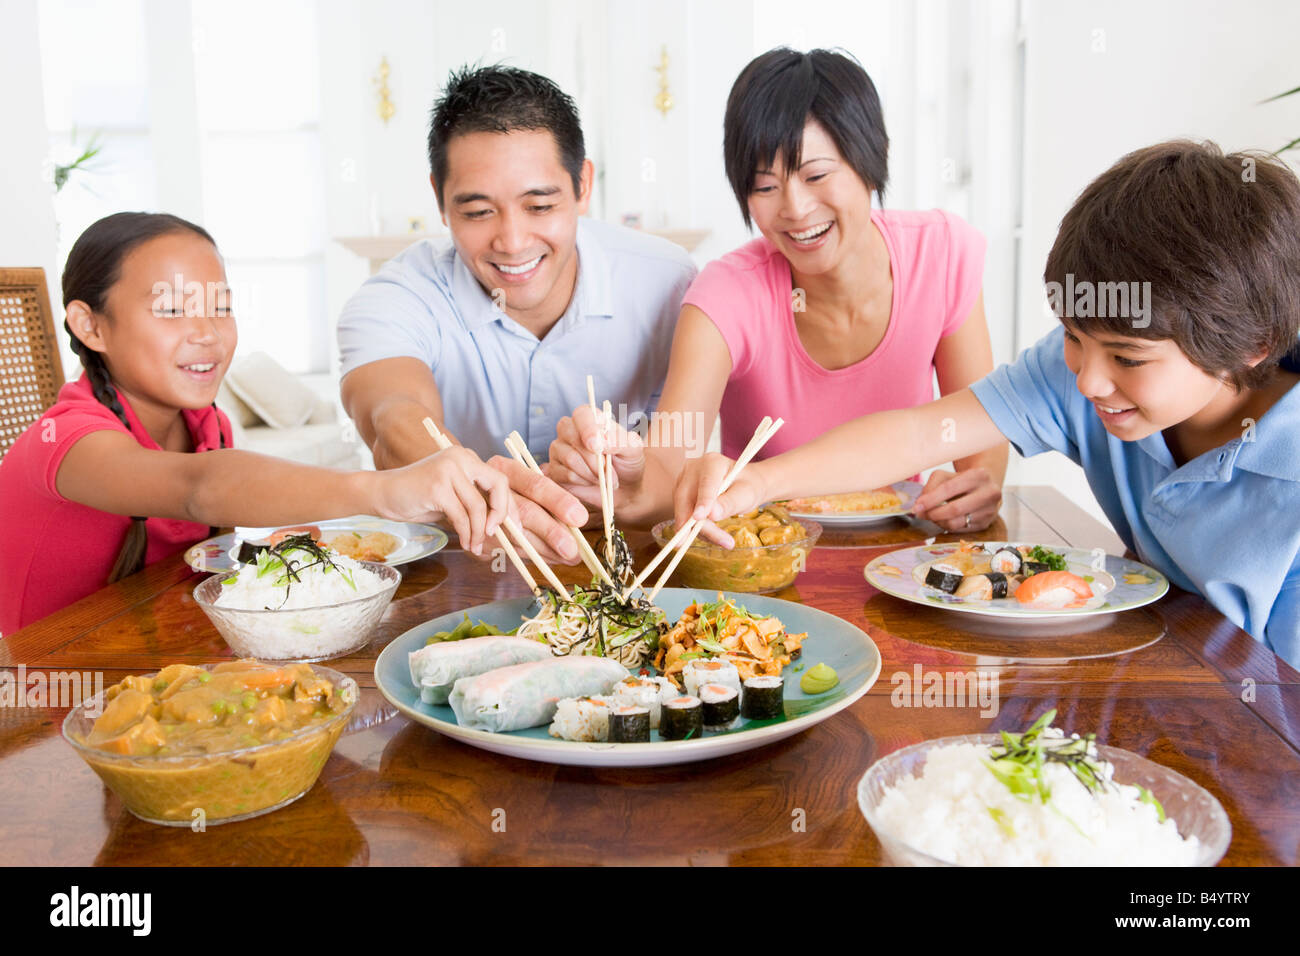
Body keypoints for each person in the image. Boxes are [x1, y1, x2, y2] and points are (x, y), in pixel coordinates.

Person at [672, 141, 1300, 668]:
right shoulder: (1082, 367)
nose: (1087, 383)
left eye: (1128, 359)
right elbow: (920, 435)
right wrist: (755, 481)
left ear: (1252, 345)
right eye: (1074, 339)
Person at [0, 212, 535, 634]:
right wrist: (384, 489)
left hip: (151, 667)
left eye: (220, 307)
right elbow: (198, 489)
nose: (208, 334)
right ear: (89, 325)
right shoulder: (65, 443)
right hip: (34, 710)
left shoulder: (207, 426)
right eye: (171, 310)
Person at [545, 48, 1007, 533]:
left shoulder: (942, 254)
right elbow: (668, 465)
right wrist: (630, 482)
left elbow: (980, 436)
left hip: (898, 551)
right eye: (765, 187)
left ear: (874, 157)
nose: (796, 208)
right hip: (762, 559)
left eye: (817, 175)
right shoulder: (725, 295)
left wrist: (977, 487)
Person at [337, 64, 696, 562]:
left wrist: (630, 483)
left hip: (636, 571)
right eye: (478, 212)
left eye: (539, 206)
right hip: (465, 569)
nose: (511, 242)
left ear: (583, 184)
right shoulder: (395, 296)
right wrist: (462, 482)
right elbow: (391, 417)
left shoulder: (668, 281)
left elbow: (679, 467)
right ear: (440, 201)